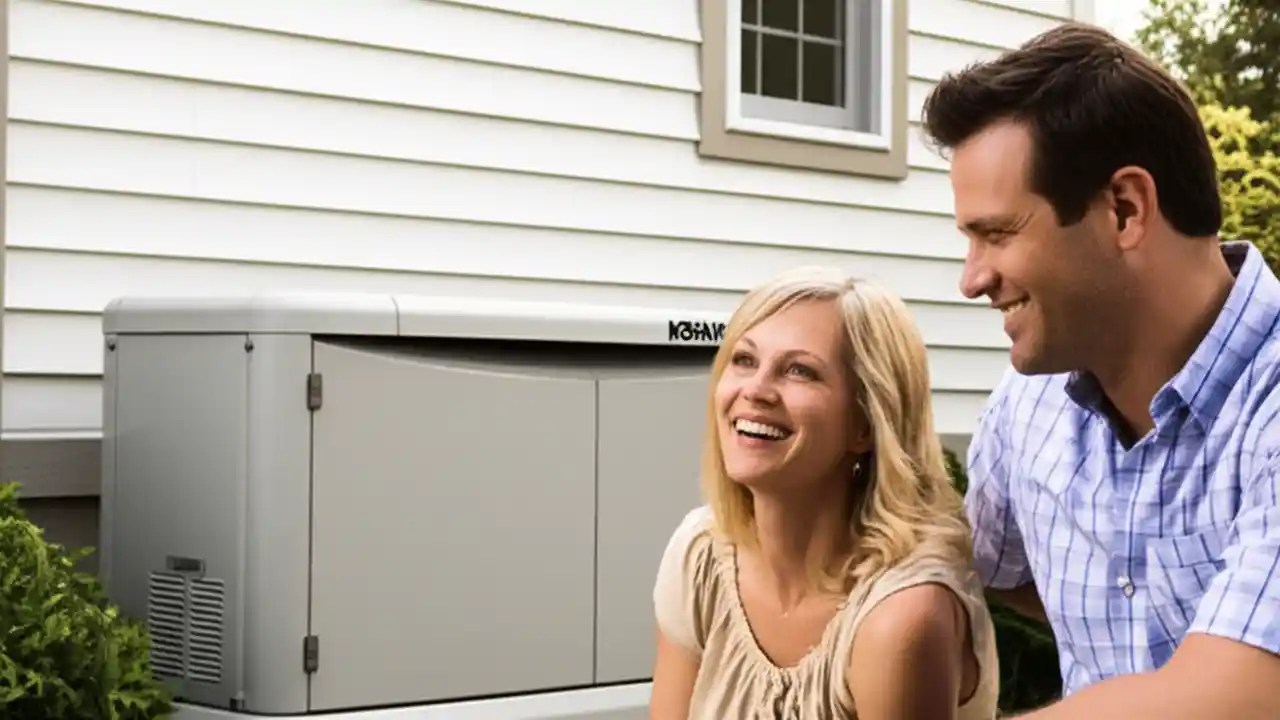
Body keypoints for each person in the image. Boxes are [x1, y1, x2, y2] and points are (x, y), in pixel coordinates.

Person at [920, 20, 1280, 719]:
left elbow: (1239, 697)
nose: (972, 279)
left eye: (997, 234)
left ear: (1124, 210)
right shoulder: (1031, 405)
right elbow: (987, 563)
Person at [648, 266, 1000, 719]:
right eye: (744, 360)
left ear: (865, 424)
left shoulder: (902, 616)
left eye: (799, 371)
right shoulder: (700, 556)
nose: (755, 390)